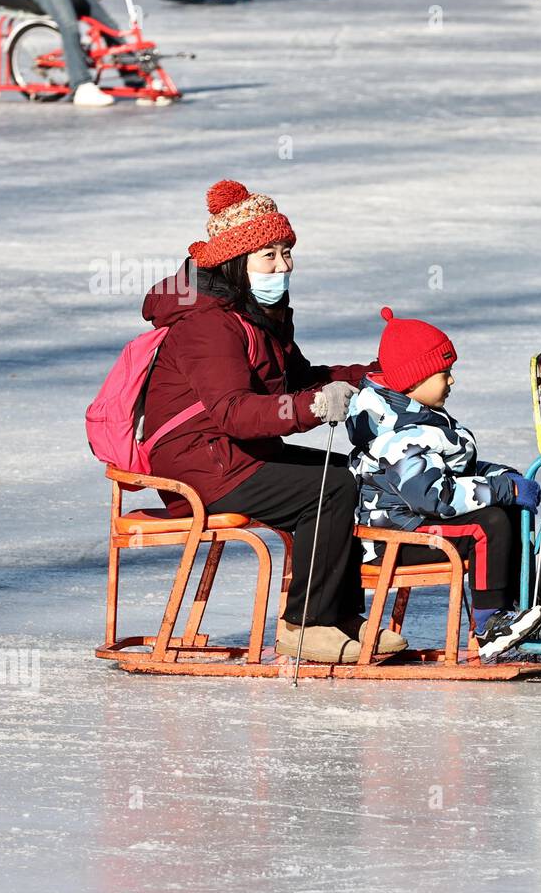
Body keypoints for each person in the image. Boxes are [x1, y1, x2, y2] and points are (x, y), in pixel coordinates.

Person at [140, 180, 389, 664]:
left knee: (347, 476)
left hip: (236, 454)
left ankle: (339, 616)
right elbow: (234, 411)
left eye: (286, 253)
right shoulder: (209, 322)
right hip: (199, 464)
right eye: (268, 256)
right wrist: (311, 407)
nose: (283, 266)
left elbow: (298, 377)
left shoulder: (257, 313)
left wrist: (369, 376)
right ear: (237, 262)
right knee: (329, 491)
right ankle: (307, 626)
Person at [346, 309, 541, 660]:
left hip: (414, 524)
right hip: (392, 538)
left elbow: (455, 467)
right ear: (414, 379)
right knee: (489, 524)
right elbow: (435, 496)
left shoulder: (418, 416)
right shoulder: (400, 437)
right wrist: (501, 490)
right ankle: (489, 624)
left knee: (506, 512)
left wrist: (501, 476)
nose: (451, 381)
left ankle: (523, 602)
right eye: (444, 373)